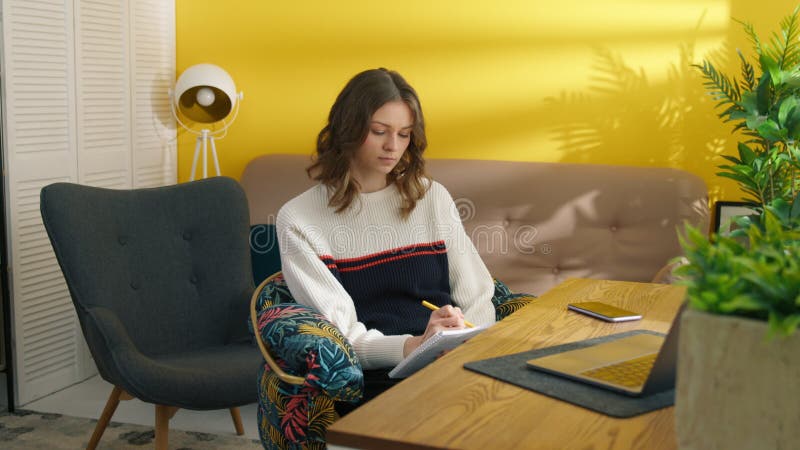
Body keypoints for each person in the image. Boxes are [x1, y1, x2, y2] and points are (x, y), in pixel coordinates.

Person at [276, 68, 495, 414]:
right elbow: (342, 335)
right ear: (348, 129)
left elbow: (477, 294)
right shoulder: (299, 218)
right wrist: (415, 346)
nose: (393, 146)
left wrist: (466, 341)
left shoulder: (431, 197)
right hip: (378, 378)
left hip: (453, 362)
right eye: (379, 132)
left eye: (404, 134)